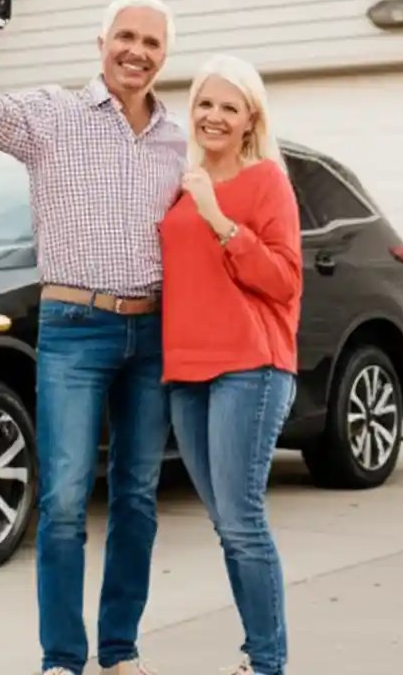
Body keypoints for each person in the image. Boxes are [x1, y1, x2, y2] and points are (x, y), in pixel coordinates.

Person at [0, 0, 185, 675]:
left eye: (152, 44)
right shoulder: (52, 115)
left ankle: (119, 651)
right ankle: (61, 659)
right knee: (68, 501)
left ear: (164, 56)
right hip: (75, 330)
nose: (137, 52)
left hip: (152, 335)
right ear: (100, 41)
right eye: (126, 37)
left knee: (137, 498)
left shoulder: (177, 141)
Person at [156, 53, 303, 675]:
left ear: (250, 120)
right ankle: (258, 656)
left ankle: (268, 663)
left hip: (252, 366)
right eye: (205, 104)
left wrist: (219, 220)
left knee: (242, 521)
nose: (214, 116)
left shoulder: (265, 179)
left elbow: (284, 279)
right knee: (226, 523)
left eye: (229, 107)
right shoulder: (179, 182)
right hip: (185, 372)